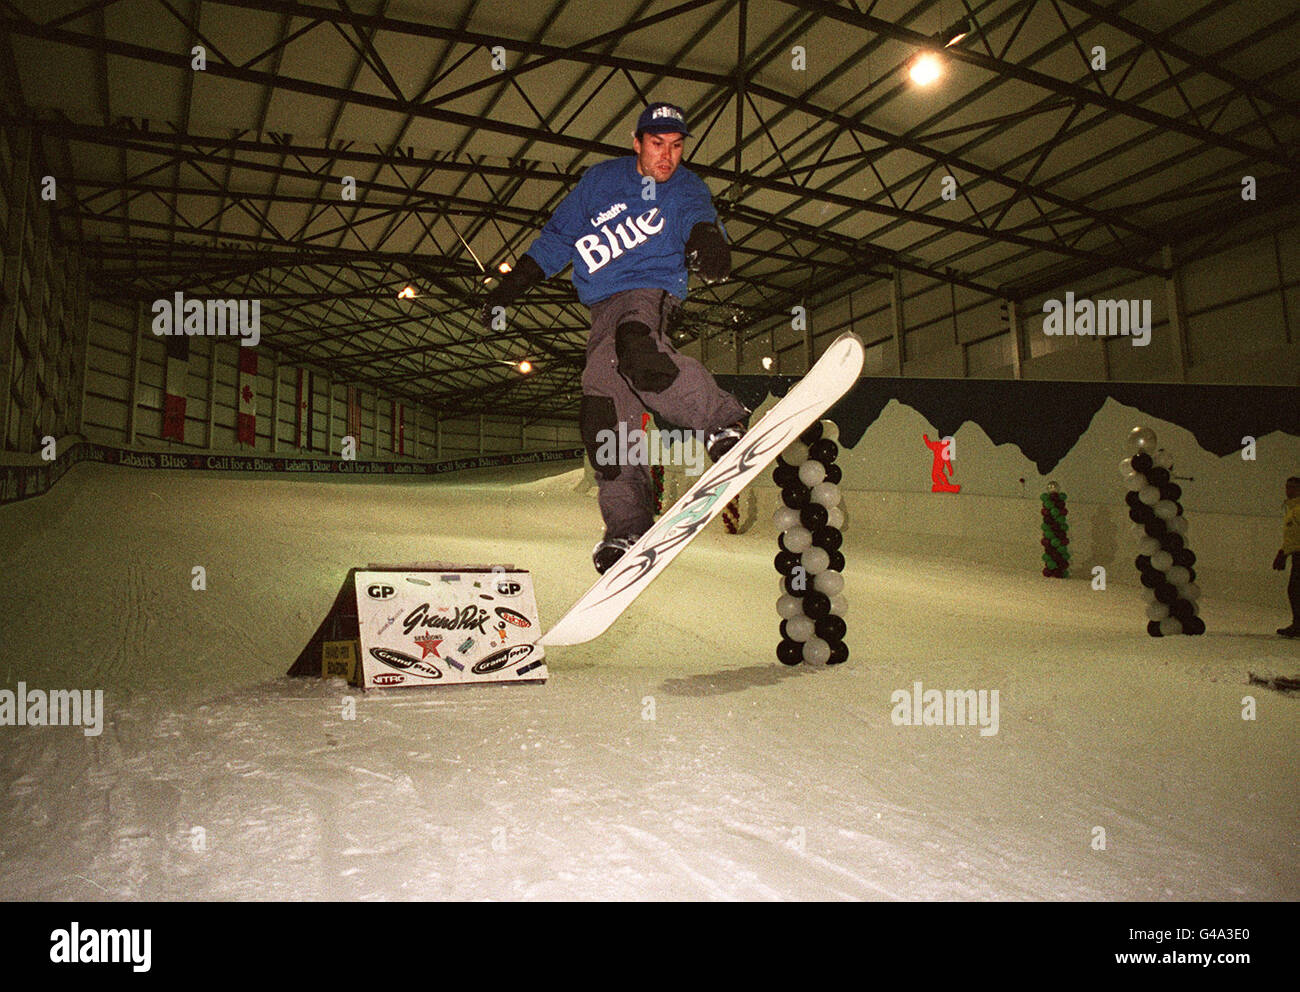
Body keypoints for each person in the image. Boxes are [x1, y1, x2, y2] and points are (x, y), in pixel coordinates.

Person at [478, 101, 750, 574]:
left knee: (639, 351)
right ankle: (628, 522)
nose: (667, 158)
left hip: (648, 291)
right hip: (601, 306)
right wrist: (509, 288)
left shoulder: (686, 187)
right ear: (637, 142)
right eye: (657, 145)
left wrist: (709, 243)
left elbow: (699, 220)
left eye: (676, 147)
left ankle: (723, 419)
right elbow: (558, 238)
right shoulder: (600, 182)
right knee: (602, 412)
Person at [1271, 475, 1300, 637]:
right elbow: (1293, 536)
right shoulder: (1292, 510)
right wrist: (1283, 552)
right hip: (1296, 554)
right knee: (1295, 590)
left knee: (1295, 590)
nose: (1288, 490)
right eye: (1287, 487)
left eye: (1293, 487)